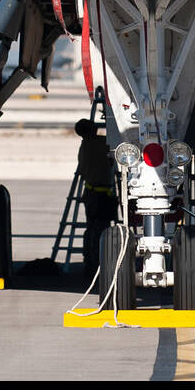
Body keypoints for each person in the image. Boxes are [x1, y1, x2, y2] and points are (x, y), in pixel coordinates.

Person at [74, 118, 115, 282]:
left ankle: (90, 263)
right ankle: (99, 264)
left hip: (91, 194)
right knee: (102, 230)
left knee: (91, 228)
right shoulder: (101, 143)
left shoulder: (84, 147)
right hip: (103, 195)